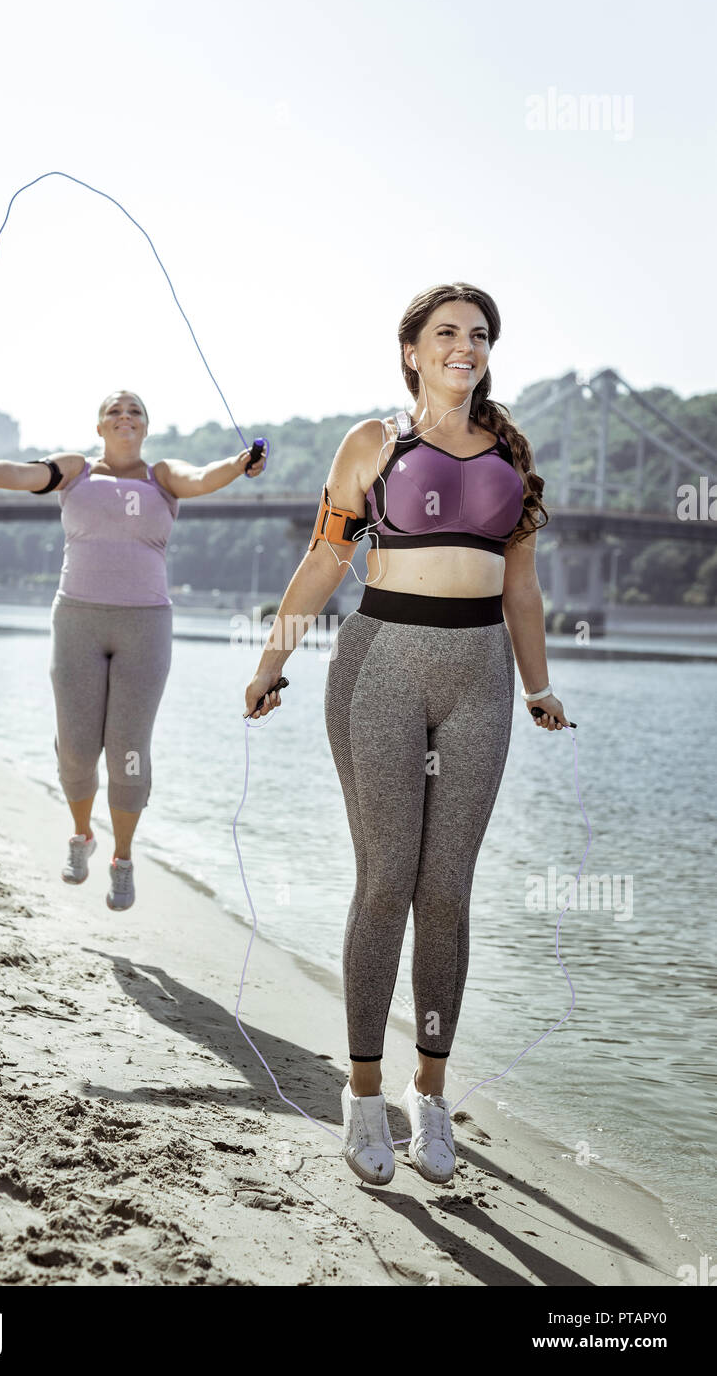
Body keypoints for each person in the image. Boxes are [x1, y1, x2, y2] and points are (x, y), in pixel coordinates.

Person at [242, 282, 567, 1188]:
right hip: (379, 662)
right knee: (387, 880)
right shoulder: (373, 445)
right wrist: (271, 661)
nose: (466, 345)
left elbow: (522, 588)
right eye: (447, 333)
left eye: (479, 335)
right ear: (413, 351)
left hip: (481, 675)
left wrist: (538, 686)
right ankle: (363, 1093)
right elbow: (325, 557)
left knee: (449, 891)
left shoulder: (510, 450)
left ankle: (432, 1097)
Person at [0, 389, 266, 910]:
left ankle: (122, 859)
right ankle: (82, 835)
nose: (124, 416)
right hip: (78, 621)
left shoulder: (163, 476)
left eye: (135, 411)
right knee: (78, 748)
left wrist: (241, 464)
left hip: (145, 625)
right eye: (114, 410)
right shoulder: (76, 469)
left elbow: (202, 478)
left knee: (129, 752)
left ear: (146, 428)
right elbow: (21, 473)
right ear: (99, 425)